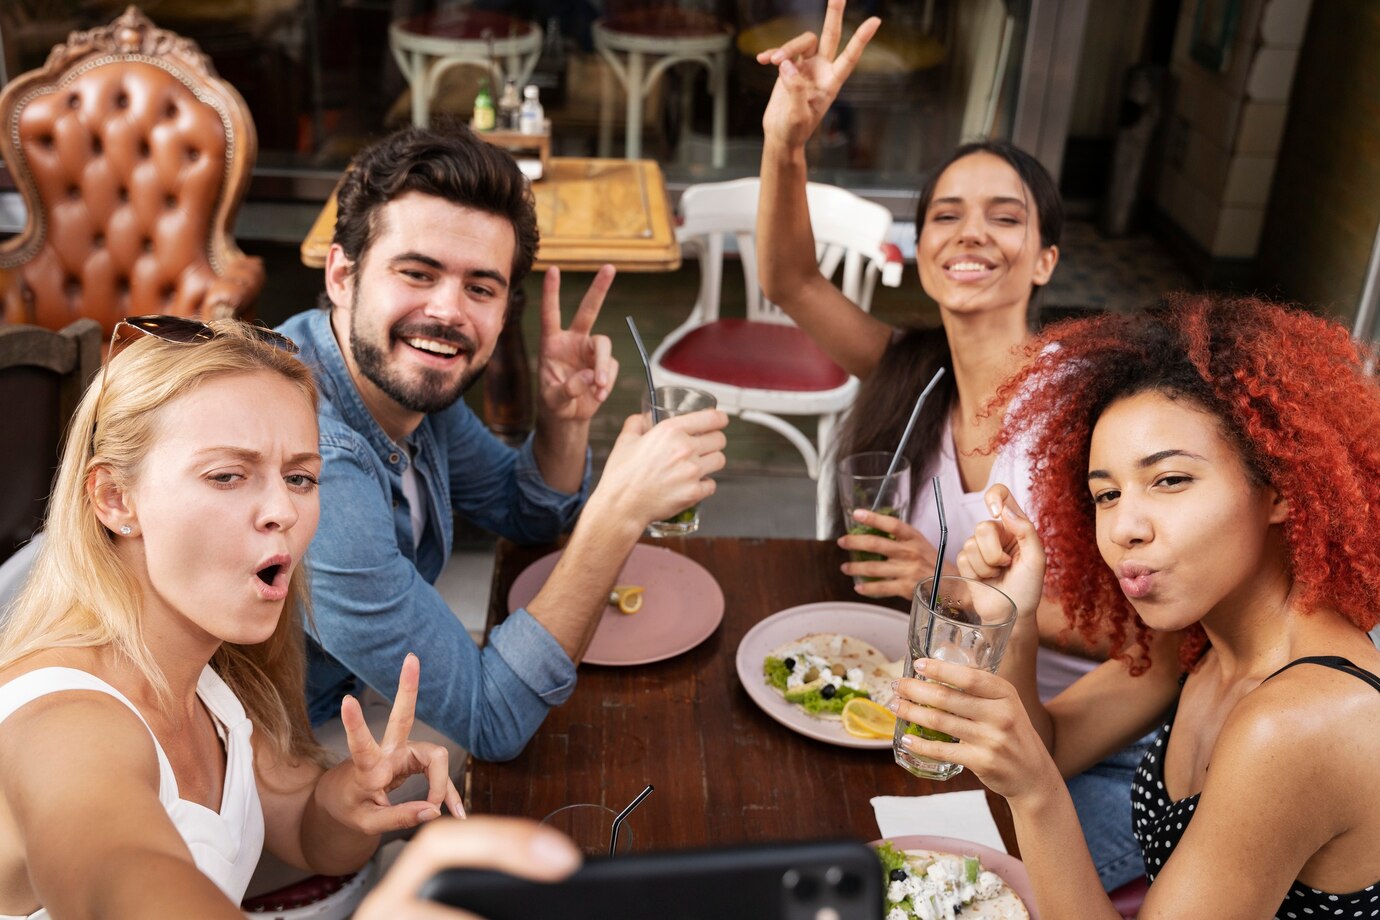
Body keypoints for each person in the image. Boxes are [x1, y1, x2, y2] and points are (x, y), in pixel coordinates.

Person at [754, 0, 1146, 891]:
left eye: (1005, 218)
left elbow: (1148, 623)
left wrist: (952, 583)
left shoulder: (1091, 406)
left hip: (1077, 744)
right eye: (946, 216)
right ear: (919, 248)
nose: (971, 233)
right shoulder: (914, 372)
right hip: (946, 716)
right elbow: (787, 277)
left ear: (1046, 258)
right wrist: (787, 144)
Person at [892, 295, 1380, 918]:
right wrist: (1010, 617)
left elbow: (1042, 769)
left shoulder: (1297, 722)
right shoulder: (1201, 642)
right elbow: (1057, 742)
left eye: (1170, 480)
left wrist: (1037, 795)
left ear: (1281, 488)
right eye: (1106, 494)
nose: (1125, 527)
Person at [276, 124, 728, 760]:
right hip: (263, 757)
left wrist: (563, 420)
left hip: (349, 693)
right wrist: (620, 510)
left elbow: (527, 515)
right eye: (417, 272)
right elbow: (491, 721)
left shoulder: (404, 383)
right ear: (343, 275)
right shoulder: (312, 465)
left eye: (480, 288)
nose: (448, 311)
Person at [0, 317, 460, 918]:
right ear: (115, 499)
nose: (282, 511)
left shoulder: (216, 682)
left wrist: (347, 801)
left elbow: (305, 834)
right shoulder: (63, 726)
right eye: (227, 476)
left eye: (300, 478)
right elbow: (121, 880)